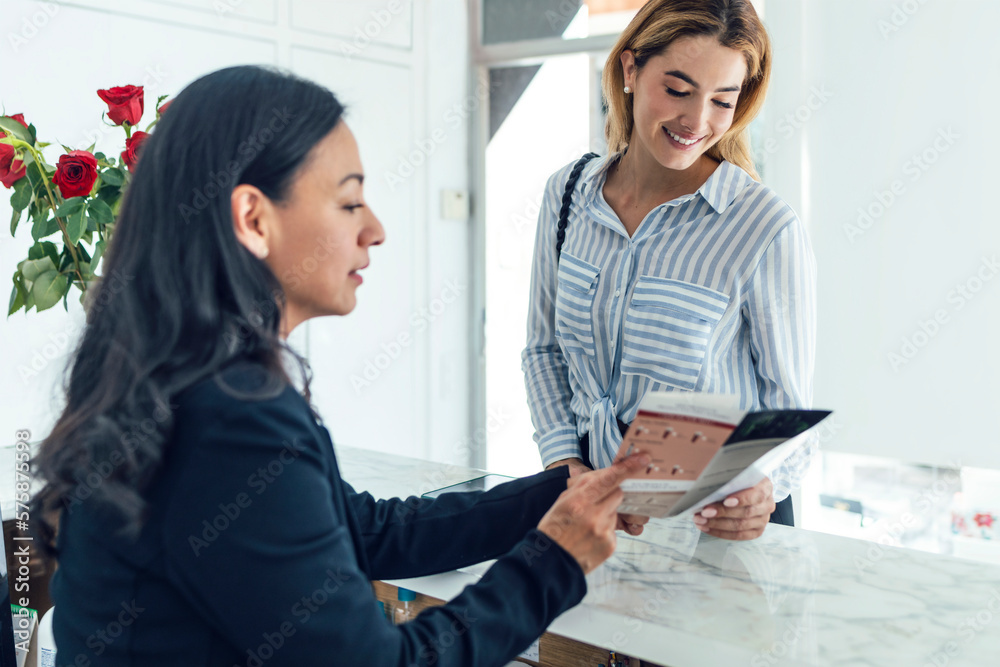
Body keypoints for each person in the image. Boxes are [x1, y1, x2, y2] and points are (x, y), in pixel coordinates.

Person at [29, 65, 650, 667]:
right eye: (350, 202)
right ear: (253, 218)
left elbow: (372, 530)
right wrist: (553, 561)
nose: (375, 230)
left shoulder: (184, 380)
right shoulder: (229, 419)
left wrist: (565, 491)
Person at [523, 0, 816, 539]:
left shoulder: (764, 226)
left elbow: (790, 412)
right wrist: (561, 459)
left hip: (712, 528)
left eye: (722, 101)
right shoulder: (567, 194)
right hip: (589, 508)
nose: (696, 121)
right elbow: (544, 349)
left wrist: (765, 489)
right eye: (678, 90)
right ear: (630, 69)